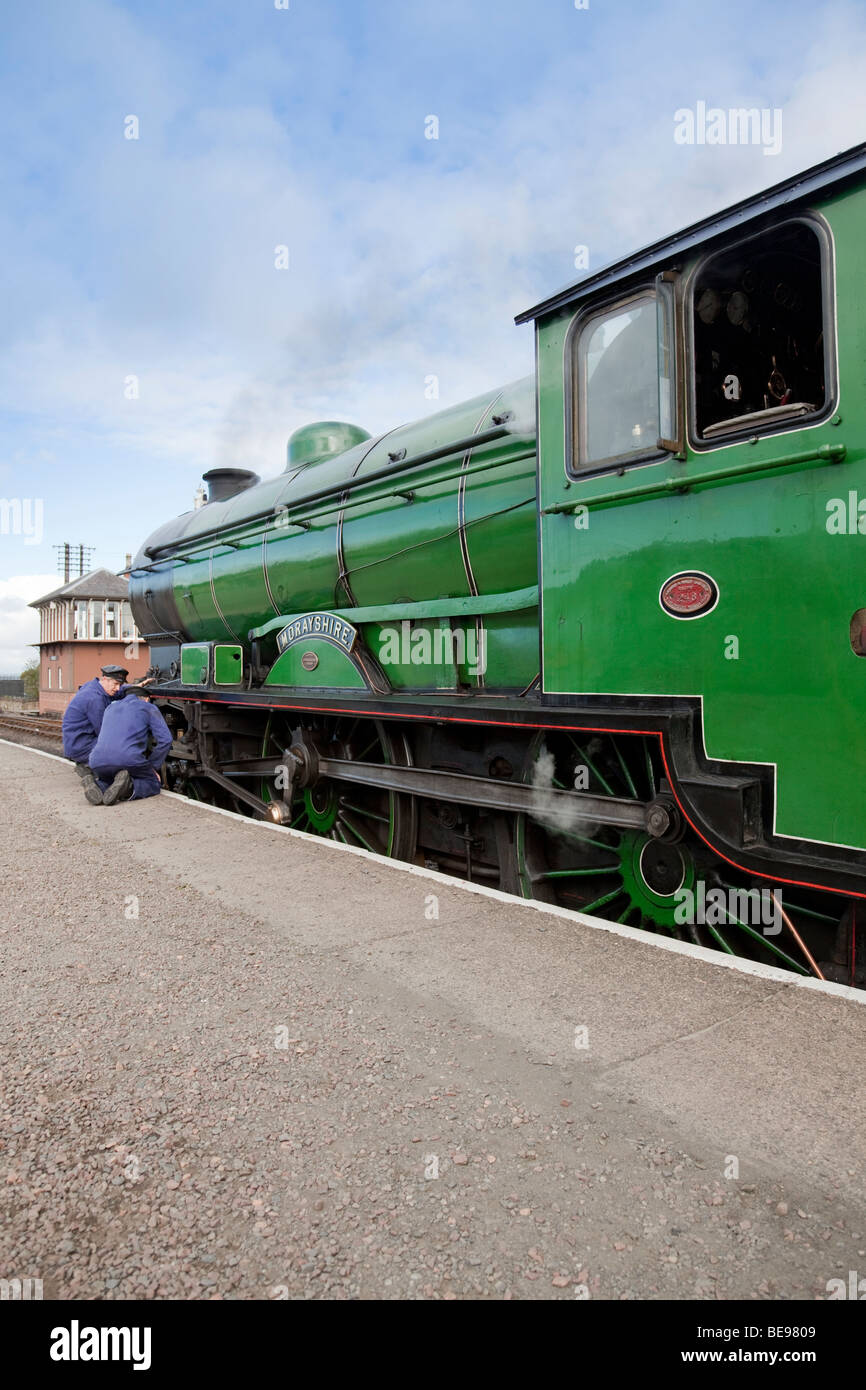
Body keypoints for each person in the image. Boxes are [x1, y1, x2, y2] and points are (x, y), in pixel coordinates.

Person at [87, 687, 172, 806]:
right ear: (146, 699)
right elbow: (166, 740)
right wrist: (152, 766)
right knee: (153, 783)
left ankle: (98, 786)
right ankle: (129, 789)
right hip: (128, 759)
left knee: (109, 780)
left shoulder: (110, 708)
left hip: (96, 761)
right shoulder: (148, 707)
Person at [62, 665, 131, 805]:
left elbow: (117, 692)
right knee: (124, 760)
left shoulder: (93, 686)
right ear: (105, 679)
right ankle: (100, 781)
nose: (118, 688)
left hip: (76, 742)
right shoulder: (95, 700)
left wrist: (135, 686)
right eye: (116, 684)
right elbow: (105, 734)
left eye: (120, 684)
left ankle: (87, 770)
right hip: (82, 746)